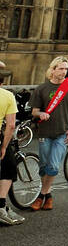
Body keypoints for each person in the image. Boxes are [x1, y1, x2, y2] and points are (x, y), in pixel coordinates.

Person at [29, 57, 68, 210]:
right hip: (44, 132)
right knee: (44, 167)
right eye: (61, 69)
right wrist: (41, 114)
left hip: (62, 132)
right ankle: (49, 194)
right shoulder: (42, 88)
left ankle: (41, 195)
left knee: (53, 166)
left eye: (66, 69)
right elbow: (34, 111)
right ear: (52, 69)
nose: (64, 72)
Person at [0, 62, 22, 225]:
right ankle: (1, 207)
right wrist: (4, 146)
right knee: (8, 168)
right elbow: (11, 125)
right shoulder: (7, 96)